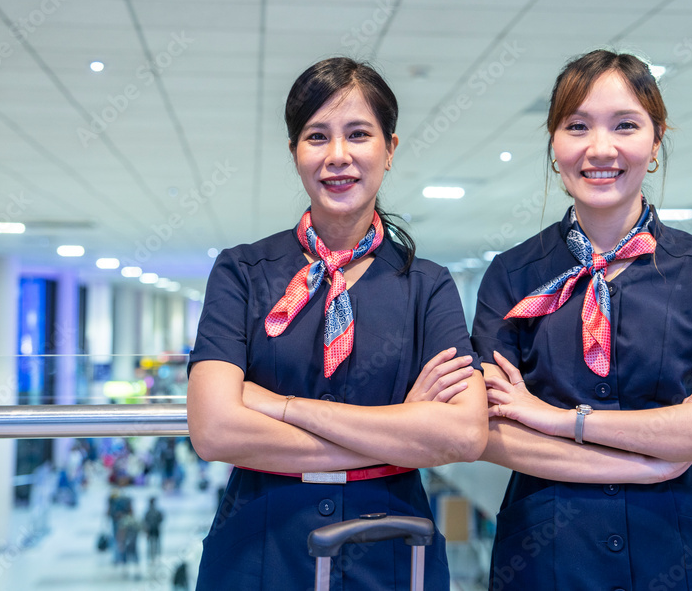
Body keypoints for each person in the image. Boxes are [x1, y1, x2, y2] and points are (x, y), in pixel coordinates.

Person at [187, 57, 488, 589]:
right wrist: (402, 427)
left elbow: (463, 434)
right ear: (294, 153)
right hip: (260, 551)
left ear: (390, 150)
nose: (338, 156)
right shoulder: (242, 272)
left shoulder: (428, 286)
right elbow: (214, 430)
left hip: (393, 552)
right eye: (316, 136)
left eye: (358, 134)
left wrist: (279, 408)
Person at [472, 49, 692, 589]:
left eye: (625, 125)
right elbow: (484, 431)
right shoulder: (511, 274)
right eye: (577, 126)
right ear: (554, 144)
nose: (599, 148)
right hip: (550, 550)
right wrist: (654, 453)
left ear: (655, 142)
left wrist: (559, 419)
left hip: (679, 545)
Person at [143, 496, 164, 562]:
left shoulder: (152, 512)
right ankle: (153, 558)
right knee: (152, 544)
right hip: (152, 530)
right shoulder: (149, 512)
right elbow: (145, 521)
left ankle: (156, 558)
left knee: (155, 544)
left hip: (154, 529)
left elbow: (161, 519)